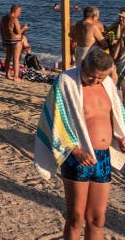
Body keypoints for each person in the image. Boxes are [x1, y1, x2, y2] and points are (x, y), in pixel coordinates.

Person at [34, 49, 125, 240]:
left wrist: (121, 137)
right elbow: (56, 118)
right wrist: (75, 150)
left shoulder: (107, 83)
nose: (95, 81)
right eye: (91, 76)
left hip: (103, 157)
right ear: (82, 64)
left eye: (100, 78)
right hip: (77, 157)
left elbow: (116, 114)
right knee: (76, 217)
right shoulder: (66, 82)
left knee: (97, 218)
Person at [0, 4, 29, 81]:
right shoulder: (14, 19)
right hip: (15, 41)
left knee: (8, 57)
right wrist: (24, 28)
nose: (19, 14)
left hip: (7, 40)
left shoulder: (4, 18)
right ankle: (16, 76)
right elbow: (18, 32)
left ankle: (7, 74)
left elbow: (1, 30)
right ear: (14, 11)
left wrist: (3, 40)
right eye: (19, 12)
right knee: (16, 59)